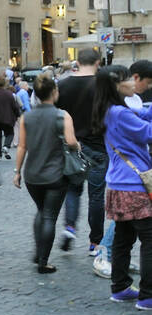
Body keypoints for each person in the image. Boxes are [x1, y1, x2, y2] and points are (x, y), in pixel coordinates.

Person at [90, 65, 152, 309]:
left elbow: (141, 116)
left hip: (117, 184)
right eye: (127, 79)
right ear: (117, 85)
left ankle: (121, 287)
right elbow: (147, 132)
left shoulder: (110, 110)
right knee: (149, 239)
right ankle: (147, 296)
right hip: (133, 185)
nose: (132, 82)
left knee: (124, 238)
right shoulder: (120, 113)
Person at [12, 75, 82, 273]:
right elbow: (71, 142)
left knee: (41, 211)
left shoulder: (27, 117)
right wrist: (78, 144)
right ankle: (43, 261)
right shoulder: (63, 115)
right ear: (54, 93)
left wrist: (17, 172)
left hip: (32, 175)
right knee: (49, 216)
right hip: (56, 174)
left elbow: (22, 147)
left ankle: (38, 252)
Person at [56, 48, 108, 267]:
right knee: (96, 196)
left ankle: (70, 227)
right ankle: (94, 243)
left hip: (71, 146)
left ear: (77, 62)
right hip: (98, 146)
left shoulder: (62, 85)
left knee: (73, 190)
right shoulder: (102, 86)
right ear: (98, 62)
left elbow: (56, 115)